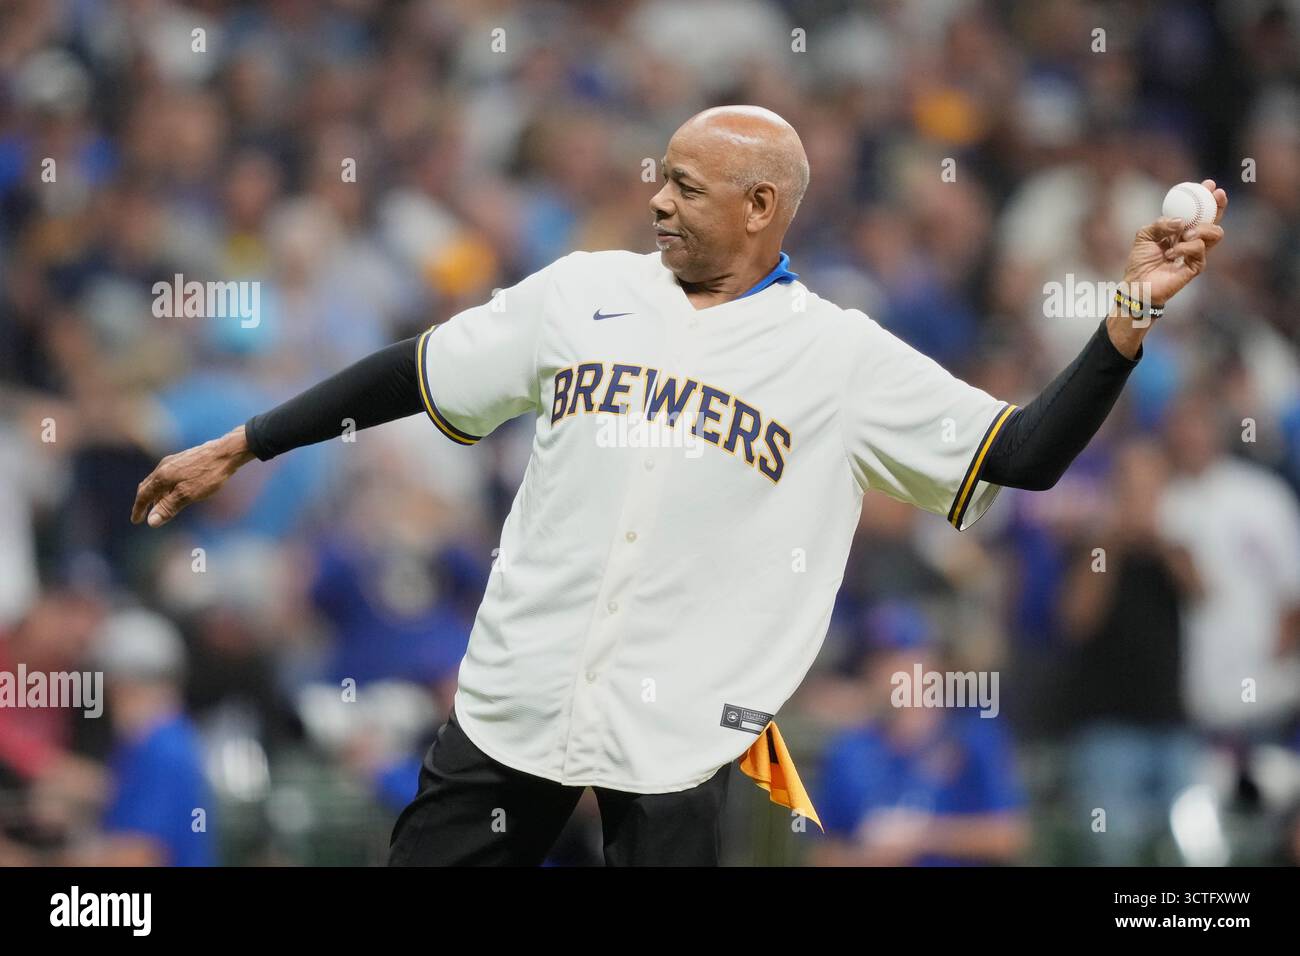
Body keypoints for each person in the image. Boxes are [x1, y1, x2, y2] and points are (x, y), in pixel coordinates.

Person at [130, 106, 1228, 866]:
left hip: (681, 724)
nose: (655, 198)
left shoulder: (838, 356)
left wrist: (1129, 314)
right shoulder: (583, 290)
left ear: (761, 207)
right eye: (658, 174)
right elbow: (416, 370)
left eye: (685, 185)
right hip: (521, 689)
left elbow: (1021, 453)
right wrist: (247, 440)